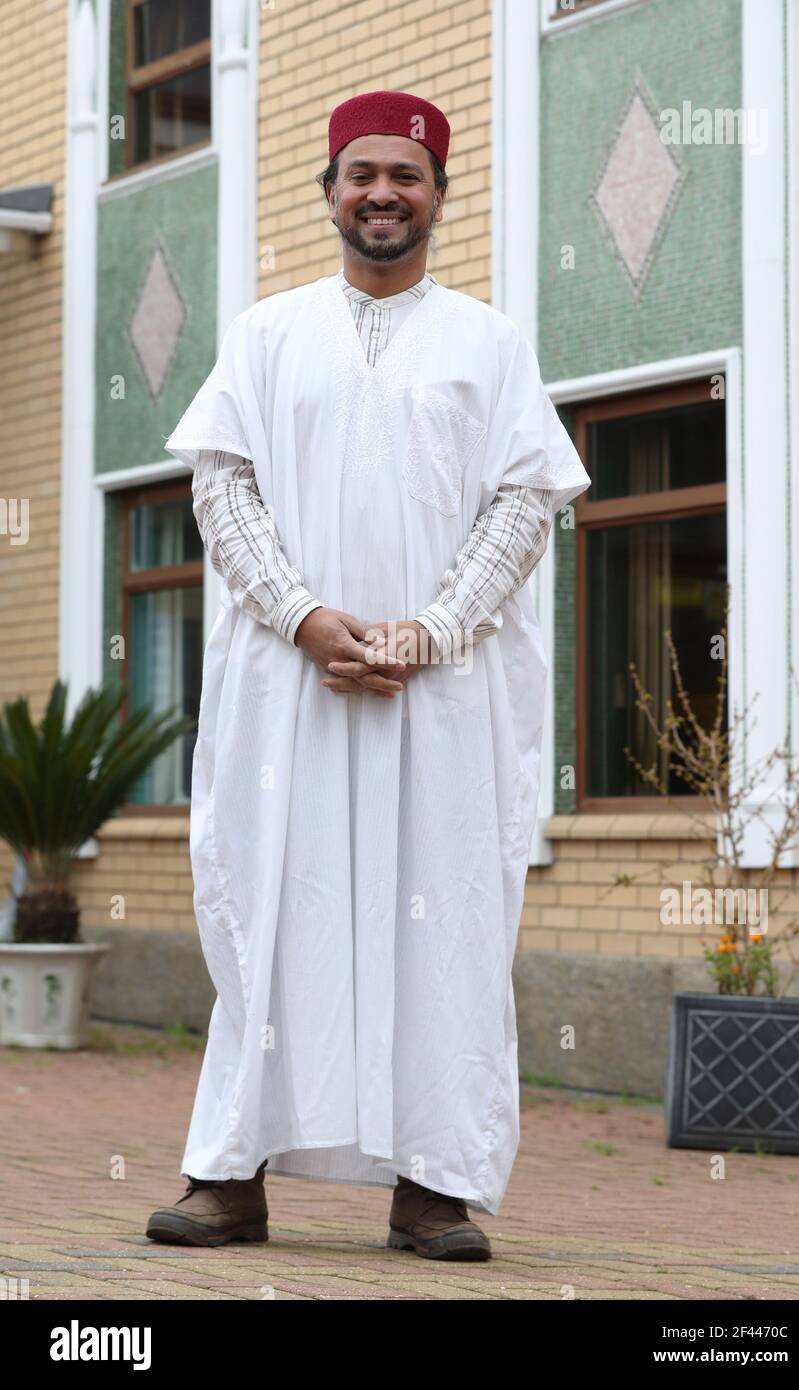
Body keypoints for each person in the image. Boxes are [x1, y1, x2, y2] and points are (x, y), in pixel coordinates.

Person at [146, 89, 591, 1262]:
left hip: (440, 701)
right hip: (286, 692)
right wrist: (301, 615)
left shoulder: (489, 343)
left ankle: (433, 1188)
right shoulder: (265, 332)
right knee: (266, 913)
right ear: (329, 190)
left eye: (406, 174)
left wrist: (432, 630)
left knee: (442, 918)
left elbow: (523, 501)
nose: (382, 193)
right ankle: (228, 1176)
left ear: (440, 193)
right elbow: (220, 486)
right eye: (361, 174)